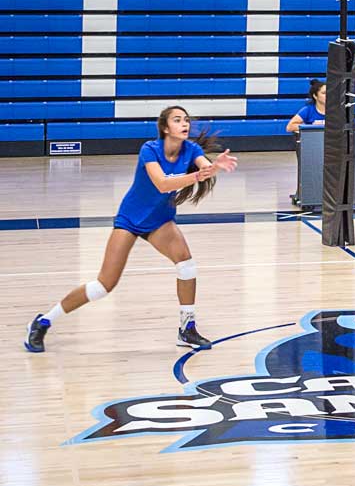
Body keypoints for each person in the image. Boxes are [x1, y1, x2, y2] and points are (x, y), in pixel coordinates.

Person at [24, 105, 237, 354]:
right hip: (131, 219)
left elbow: (203, 167)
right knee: (103, 285)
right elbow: (162, 184)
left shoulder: (191, 150)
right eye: (178, 120)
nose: (184, 124)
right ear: (165, 128)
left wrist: (213, 167)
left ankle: (187, 328)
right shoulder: (150, 149)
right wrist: (198, 175)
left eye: (186, 120)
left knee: (187, 266)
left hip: (160, 220)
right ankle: (43, 321)